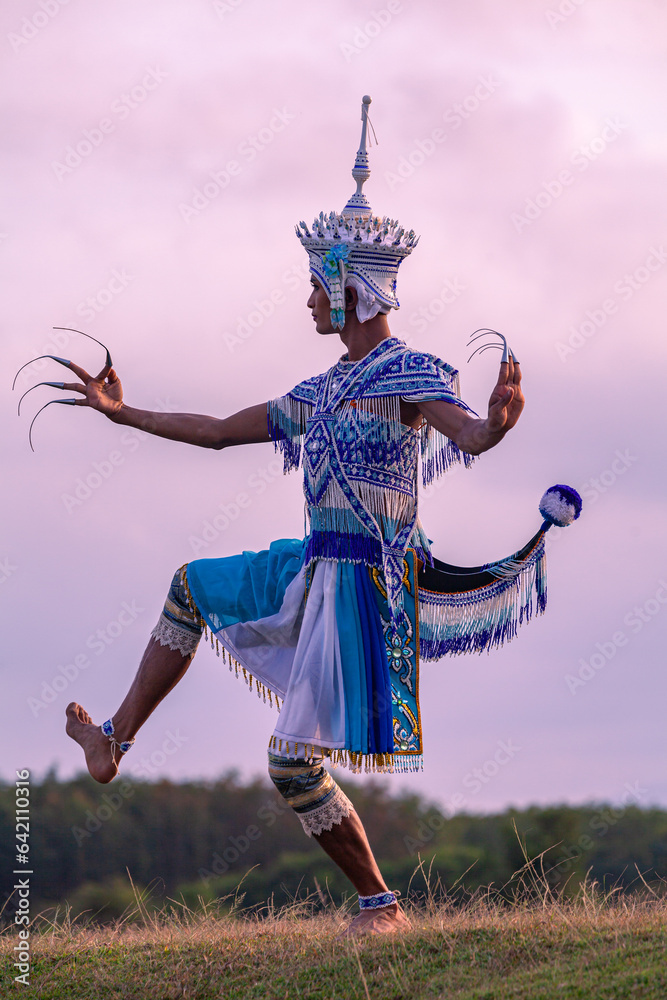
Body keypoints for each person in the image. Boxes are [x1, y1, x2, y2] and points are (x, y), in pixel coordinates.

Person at [64, 96, 524, 937]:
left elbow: (468, 433)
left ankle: (379, 904)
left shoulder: (409, 372)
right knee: (188, 589)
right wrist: (122, 417)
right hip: (310, 564)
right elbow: (214, 433)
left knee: (287, 762)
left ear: (350, 287)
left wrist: (495, 423)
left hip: (363, 585)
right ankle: (115, 742)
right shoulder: (318, 391)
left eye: (315, 287)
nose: (307, 303)